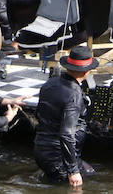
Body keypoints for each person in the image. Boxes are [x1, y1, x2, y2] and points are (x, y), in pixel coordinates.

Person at [34, 44, 98, 185]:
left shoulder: (49, 84)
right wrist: (73, 171)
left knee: (90, 173)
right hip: (58, 156)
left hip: (41, 149)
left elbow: (38, 113)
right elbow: (66, 134)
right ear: (87, 72)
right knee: (76, 186)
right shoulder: (74, 95)